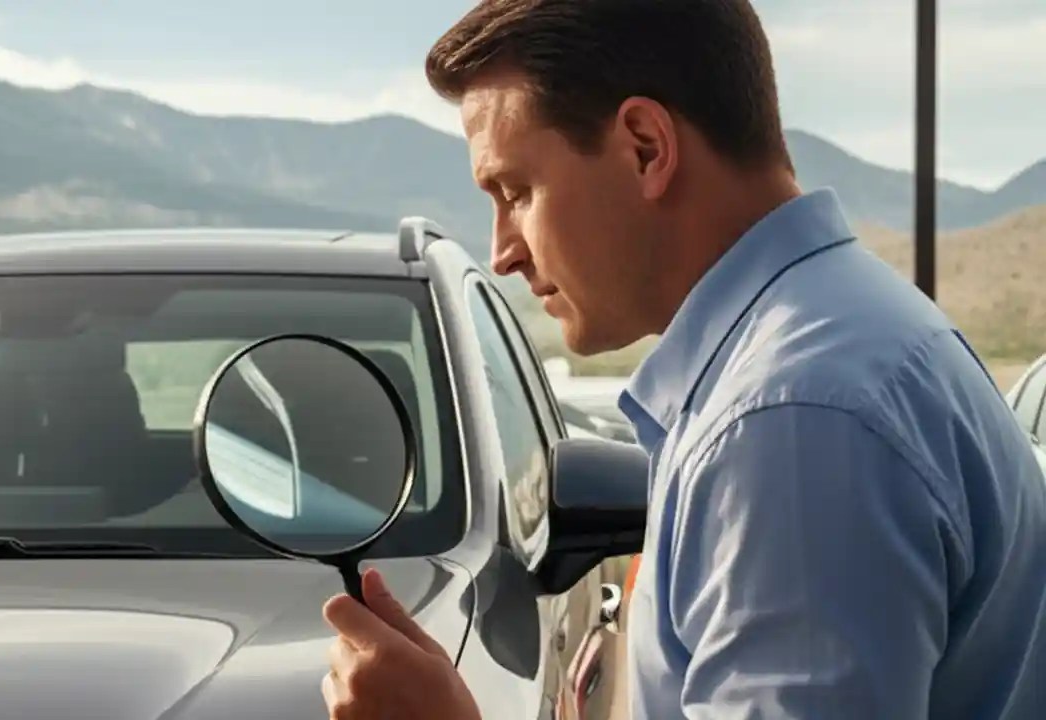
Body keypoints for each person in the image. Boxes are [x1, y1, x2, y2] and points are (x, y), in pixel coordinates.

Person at [321, 0, 1046, 718]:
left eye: (517, 191)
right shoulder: (834, 340)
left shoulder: (790, 419)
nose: (503, 251)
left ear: (646, 148)